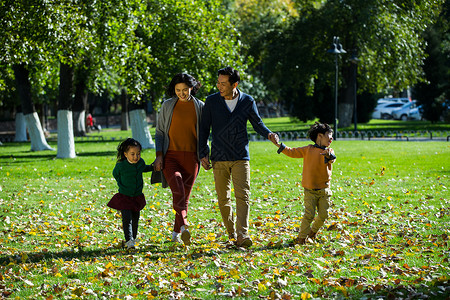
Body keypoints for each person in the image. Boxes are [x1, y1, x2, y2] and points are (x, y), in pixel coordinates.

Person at [199, 66, 279, 248]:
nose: (219, 86)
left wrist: (269, 134)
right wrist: (202, 152)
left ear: (234, 84)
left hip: (240, 156)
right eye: (218, 82)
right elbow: (203, 129)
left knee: (243, 196)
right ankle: (231, 233)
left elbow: (258, 123)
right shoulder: (211, 102)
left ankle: (242, 235)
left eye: (223, 83)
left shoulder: (247, 101)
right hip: (218, 157)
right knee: (223, 198)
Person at [153, 73, 204, 246]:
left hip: (192, 158)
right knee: (178, 190)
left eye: (184, 90)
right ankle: (184, 227)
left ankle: (176, 233)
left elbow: (204, 135)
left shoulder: (201, 107)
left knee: (184, 198)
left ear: (192, 88)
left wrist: (204, 154)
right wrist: (159, 155)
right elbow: (160, 132)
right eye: (177, 90)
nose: (181, 93)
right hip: (171, 156)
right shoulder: (167, 105)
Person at [273, 122, 336, 244]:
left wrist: (329, 156)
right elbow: (292, 152)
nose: (331, 138)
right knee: (309, 215)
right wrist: (279, 145)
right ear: (320, 136)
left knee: (324, 215)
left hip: (324, 190)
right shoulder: (308, 150)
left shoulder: (329, 151)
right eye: (329, 135)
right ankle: (301, 238)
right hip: (310, 190)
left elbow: (332, 158)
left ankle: (312, 232)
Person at [108, 138, 153, 249]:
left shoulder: (140, 163)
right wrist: (122, 184)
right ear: (125, 154)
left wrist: (153, 167)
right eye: (132, 154)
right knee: (127, 218)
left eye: (138, 154)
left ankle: (133, 238)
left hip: (137, 196)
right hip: (125, 196)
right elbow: (115, 174)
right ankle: (128, 240)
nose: (135, 157)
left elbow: (144, 168)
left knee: (135, 219)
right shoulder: (121, 166)